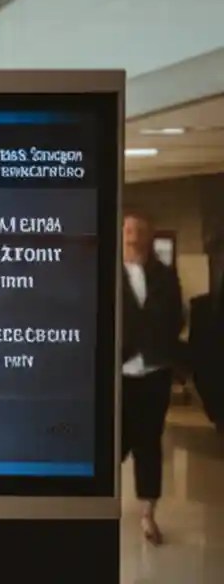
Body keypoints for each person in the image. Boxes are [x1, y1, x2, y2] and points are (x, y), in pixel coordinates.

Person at [121, 212, 184, 546]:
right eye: (128, 229)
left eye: (140, 230)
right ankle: (102, 505)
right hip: (118, 374)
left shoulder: (164, 275)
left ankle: (148, 514)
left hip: (154, 372)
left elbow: (175, 317)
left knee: (149, 444)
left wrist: (159, 347)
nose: (133, 235)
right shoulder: (107, 271)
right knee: (111, 443)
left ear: (149, 235)